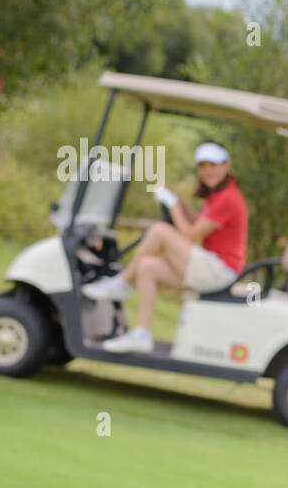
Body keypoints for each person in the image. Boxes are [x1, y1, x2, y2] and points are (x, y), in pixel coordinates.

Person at [84, 142, 248, 353]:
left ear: (226, 166)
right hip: (210, 268)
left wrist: (172, 205)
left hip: (219, 271)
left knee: (160, 230)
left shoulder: (228, 198)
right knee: (147, 267)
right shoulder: (218, 196)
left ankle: (122, 282)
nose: (208, 171)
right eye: (203, 166)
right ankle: (142, 334)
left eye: (213, 165)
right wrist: (177, 201)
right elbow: (199, 222)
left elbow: (190, 235)